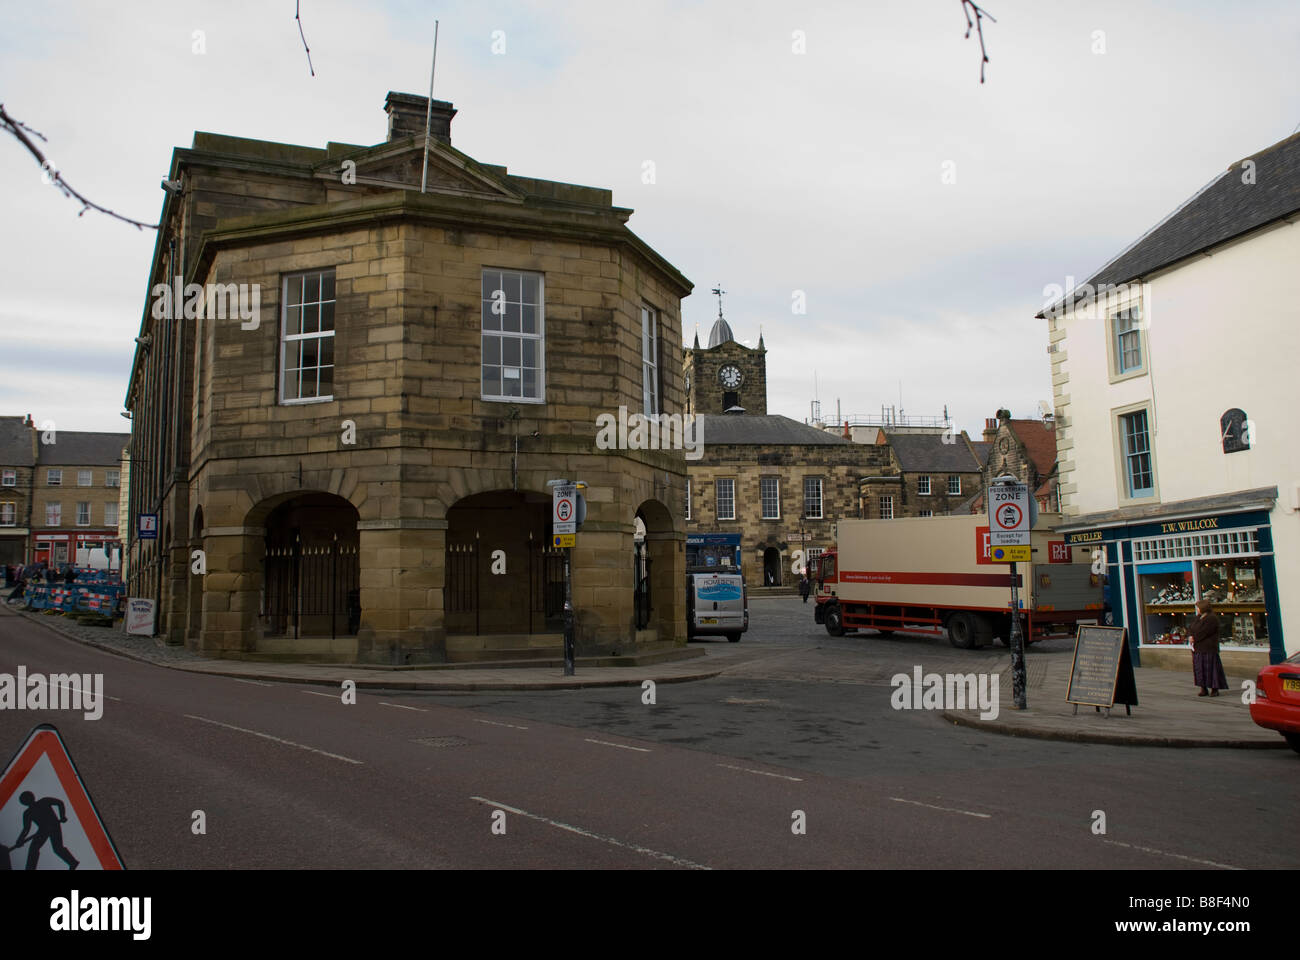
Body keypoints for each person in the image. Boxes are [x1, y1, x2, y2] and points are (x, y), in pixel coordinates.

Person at [1189, 598, 1228, 697]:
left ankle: (1214, 689)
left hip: (1209, 648)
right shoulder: (1198, 618)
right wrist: (1190, 636)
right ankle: (1203, 688)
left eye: (1198, 607)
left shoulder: (1211, 618)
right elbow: (1191, 628)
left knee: (1211, 669)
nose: (1197, 609)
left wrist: (1195, 638)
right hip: (1198, 648)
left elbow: (1205, 632)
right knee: (1200, 669)